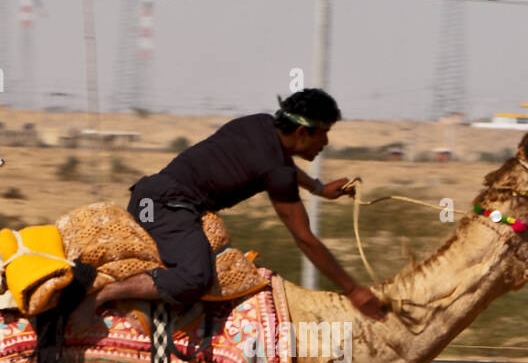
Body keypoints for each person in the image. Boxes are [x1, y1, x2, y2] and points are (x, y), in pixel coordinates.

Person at [92, 88, 385, 320]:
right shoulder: (277, 171)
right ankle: (107, 292)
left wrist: (318, 188)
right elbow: (305, 240)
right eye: (324, 134)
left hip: (150, 196)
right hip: (164, 208)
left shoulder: (259, 124)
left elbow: (280, 165)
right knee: (195, 279)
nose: (326, 144)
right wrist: (353, 291)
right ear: (302, 133)